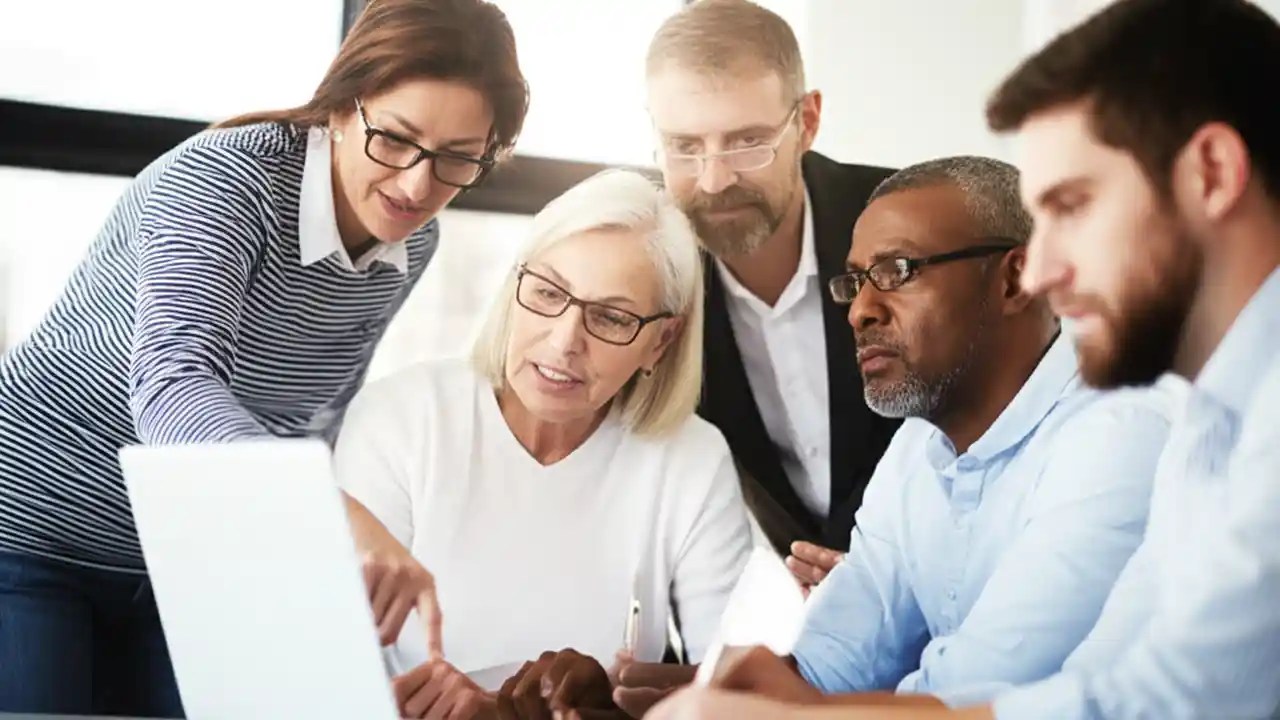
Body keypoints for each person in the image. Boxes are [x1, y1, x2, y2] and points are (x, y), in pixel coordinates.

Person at [646, 0, 1280, 718]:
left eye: (1073, 206)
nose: (1044, 270)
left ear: (1212, 174)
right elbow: (1127, 695)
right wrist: (746, 695)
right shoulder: (1212, 421)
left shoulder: (1155, 423)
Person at [0, 0, 528, 715]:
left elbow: (318, 417)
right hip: (29, 530)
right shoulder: (228, 179)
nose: (416, 185)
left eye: (457, 157)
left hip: (181, 563)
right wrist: (332, 514)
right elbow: (172, 384)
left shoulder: (413, 242)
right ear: (340, 107)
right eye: (395, 139)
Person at [606, 157, 1173, 718]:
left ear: (1016, 279)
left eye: (896, 271)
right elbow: (835, 660)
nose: (859, 312)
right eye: (856, 282)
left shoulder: (1119, 435)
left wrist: (758, 709)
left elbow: (970, 695)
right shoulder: (917, 444)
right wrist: (669, 697)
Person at [333, 169, 753, 720]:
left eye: (611, 317)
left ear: (661, 340)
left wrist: (612, 709)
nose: (564, 341)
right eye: (548, 293)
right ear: (515, 288)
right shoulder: (402, 418)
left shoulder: (691, 459)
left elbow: (738, 690)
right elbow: (328, 657)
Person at [646, 0, 901, 565]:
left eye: (747, 142)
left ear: (807, 122)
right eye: (685, 147)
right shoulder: (649, 280)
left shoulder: (908, 225)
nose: (715, 180)